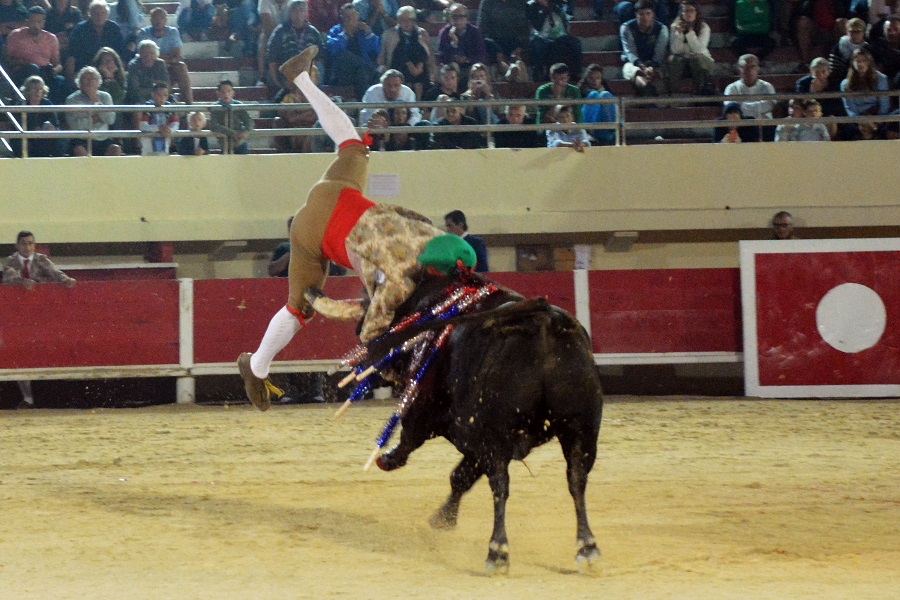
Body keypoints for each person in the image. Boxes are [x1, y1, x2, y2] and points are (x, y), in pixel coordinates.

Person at [237, 45, 476, 409]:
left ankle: (300, 76)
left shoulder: (424, 233)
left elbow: (410, 216)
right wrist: (336, 304)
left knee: (353, 146)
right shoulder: (399, 273)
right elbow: (364, 313)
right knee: (300, 309)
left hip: (332, 194)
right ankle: (256, 365)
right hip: (313, 236)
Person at [2, 230, 76, 408]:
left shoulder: (41, 260)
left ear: (34, 245)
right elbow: (8, 277)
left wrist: (66, 280)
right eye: (24, 244)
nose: (27, 247)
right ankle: (27, 398)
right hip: (17, 318)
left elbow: (55, 273)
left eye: (30, 243)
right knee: (20, 357)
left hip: (41, 317)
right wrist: (22, 281)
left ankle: (47, 397)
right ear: (17, 246)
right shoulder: (11, 261)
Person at [267, 215, 327, 404]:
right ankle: (291, 389)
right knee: (290, 342)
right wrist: (294, 253)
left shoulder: (317, 247)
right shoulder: (285, 249)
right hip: (291, 300)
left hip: (312, 299)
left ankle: (317, 388)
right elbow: (272, 270)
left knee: (317, 342)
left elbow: (335, 273)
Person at [3, 6, 65, 102]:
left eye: (39, 22)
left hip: (44, 72)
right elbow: (7, 60)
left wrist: (54, 70)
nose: (36, 25)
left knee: (59, 80)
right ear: (27, 22)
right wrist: (21, 62)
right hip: (23, 72)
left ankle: (51, 108)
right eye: (33, 21)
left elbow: (58, 64)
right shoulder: (15, 36)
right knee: (33, 68)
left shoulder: (51, 38)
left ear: (43, 23)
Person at [265, 0, 324, 93]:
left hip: (309, 72)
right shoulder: (280, 31)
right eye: (295, 11)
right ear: (290, 13)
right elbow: (272, 59)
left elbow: (320, 57)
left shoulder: (313, 32)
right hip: (288, 70)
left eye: (301, 10)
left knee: (317, 68)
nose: (298, 14)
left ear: (306, 13)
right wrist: (277, 82)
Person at [137, 7, 193, 104]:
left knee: (181, 66)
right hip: (149, 67)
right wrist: (166, 57)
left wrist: (157, 57)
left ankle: (189, 106)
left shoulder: (173, 32)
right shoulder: (144, 33)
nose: (158, 21)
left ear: (166, 20)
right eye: (155, 18)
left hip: (169, 66)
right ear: (151, 20)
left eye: (161, 18)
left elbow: (176, 56)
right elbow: (145, 57)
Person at [324, 3, 380, 98]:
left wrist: (369, 34)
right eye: (347, 17)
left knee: (362, 73)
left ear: (358, 16)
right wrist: (346, 34)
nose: (351, 19)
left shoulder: (363, 31)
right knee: (345, 55)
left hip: (362, 72)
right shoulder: (336, 31)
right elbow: (332, 49)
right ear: (342, 18)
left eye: (353, 16)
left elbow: (376, 50)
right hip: (343, 72)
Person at [377, 4, 431, 98]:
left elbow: (426, 53)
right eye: (403, 20)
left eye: (410, 20)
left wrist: (420, 65)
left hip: (419, 66)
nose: (406, 23)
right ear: (398, 20)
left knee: (421, 78)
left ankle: (419, 104)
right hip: (398, 65)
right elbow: (384, 55)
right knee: (404, 73)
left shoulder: (422, 33)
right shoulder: (389, 34)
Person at [64, 0, 125, 80]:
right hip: (86, 70)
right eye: (96, 13)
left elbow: (121, 53)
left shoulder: (114, 28)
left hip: (110, 69)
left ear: (107, 14)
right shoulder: (79, 29)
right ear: (90, 14)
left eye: (102, 13)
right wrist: (70, 78)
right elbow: (71, 55)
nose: (99, 16)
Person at [840, 47, 892, 137]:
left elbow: (885, 105)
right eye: (857, 61)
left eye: (864, 61)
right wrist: (862, 122)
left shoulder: (881, 79)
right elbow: (850, 109)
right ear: (852, 63)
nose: (861, 64)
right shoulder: (845, 84)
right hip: (858, 120)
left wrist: (875, 121)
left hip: (877, 117)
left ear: (869, 62)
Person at [620, 0, 669, 96]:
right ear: (636, 15)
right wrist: (641, 66)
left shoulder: (662, 29)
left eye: (648, 13)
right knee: (635, 71)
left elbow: (659, 52)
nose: (645, 17)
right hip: (633, 63)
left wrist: (651, 67)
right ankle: (647, 89)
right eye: (641, 14)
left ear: (653, 14)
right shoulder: (627, 27)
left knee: (660, 73)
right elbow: (630, 51)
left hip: (654, 64)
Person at [65, 65, 116, 155]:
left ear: (98, 82)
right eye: (86, 78)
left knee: (115, 149)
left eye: (93, 78)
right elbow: (76, 126)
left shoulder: (105, 97)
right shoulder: (72, 100)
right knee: (79, 150)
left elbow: (110, 119)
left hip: (103, 139)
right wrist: (98, 117)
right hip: (81, 140)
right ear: (79, 83)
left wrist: (94, 99)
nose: (90, 81)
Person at [526, 0, 582, 81]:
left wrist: (554, 7)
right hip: (541, 36)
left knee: (575, 42)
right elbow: (537, 26)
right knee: (538, 44)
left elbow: (564, 20)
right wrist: (545, 9)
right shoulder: (531, 6)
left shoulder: (557, 3)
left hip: (559, 36)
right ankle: (538, 72)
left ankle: (576, 72)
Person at [11, 75, 66, 157]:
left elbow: (55, 124)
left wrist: (52, 128)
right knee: (22, 144)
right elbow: (16, 127)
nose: (38, 92)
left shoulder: (47, 103)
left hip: (45, 137)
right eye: (34, 89)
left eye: (40, 89)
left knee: (60, 139)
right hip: (27, 138)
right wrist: (33, 130)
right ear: (28, 91)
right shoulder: (21, 105)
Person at [724, 53, 776, 139]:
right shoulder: (731, 88)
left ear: (758, 69)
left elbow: (770, 105)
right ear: (740, 69)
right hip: (742, 127)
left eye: (752, 66)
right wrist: (759, 106)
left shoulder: (767, 86)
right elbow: (731, 109)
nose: (749, 70)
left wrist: (742, 107)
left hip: (765, 127)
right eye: (745, 67)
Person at [667, 0, 713, 94]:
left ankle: (701, 93)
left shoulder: (704, 27)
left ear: (696, 12)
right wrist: (679, 34)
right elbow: (675, 49)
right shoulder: (674, 27)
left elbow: (699, 49)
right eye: (685, 11)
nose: (688, 13)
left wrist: (689, 33)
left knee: (697, 59)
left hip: (701, 60)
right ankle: (673, 94)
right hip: (682, 61)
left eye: (691, 11)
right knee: (673, 59)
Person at [437, 3, 487, 80]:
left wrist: (467, 59)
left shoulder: (474, 32)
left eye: (461, 16)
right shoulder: (444, 33)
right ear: (450, 18)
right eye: (454, 17)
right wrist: (454, 46)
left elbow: (480, 54)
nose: (457, 20)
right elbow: (442, 55)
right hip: (452, 67)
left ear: (466, 18)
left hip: (470, 65)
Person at [477, 0, 530, 65]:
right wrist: (495, 49)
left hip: (514, 41)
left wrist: (521, 47)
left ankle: (516, 70)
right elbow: (481, 28)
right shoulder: (487, 2)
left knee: (518, 59)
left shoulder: (520, 2)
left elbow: (525, 28)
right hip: (493, 42)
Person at [209, 78, 255, 153]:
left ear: (233, 93)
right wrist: (233, 133)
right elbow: (214, 125)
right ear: (218, 93)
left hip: (240, 142)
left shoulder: (239, 105)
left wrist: (246, 131)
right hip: (224, 142)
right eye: (223, 92)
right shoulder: (215, 107)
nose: (226, 94)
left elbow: (249, 121)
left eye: (228, 91)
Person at [578, 63, 617, 145]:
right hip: (588, 129)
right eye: (591, 78)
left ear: (601, 79)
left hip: (604, 128)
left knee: (604, 95)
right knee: (593, 95)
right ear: (586, 78)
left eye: (598, 78)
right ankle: (590, 132)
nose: (594, 81)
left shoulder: (606, 91)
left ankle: (613, 128)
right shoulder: (580, 92)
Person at [139, 81, 179, 155]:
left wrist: (170, 130)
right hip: (149, 145)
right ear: (153, 95)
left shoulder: (169, 108)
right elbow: (143, 126)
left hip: (165, 143)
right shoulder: (148, 107)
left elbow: (175, 123)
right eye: (159, 95)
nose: (162, 98)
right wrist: (158, 128)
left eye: (165, 95)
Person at [125, 39, 169, 104]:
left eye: (152, 53)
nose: (148, 57)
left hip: (160, 96)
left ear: (156, 55)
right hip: (139, 98)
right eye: (145, 53)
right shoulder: (133, 65)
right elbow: (134, 90)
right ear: (139, 54)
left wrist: (156, 92)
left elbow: (167, 84)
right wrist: (155, 90)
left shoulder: (160, 64)